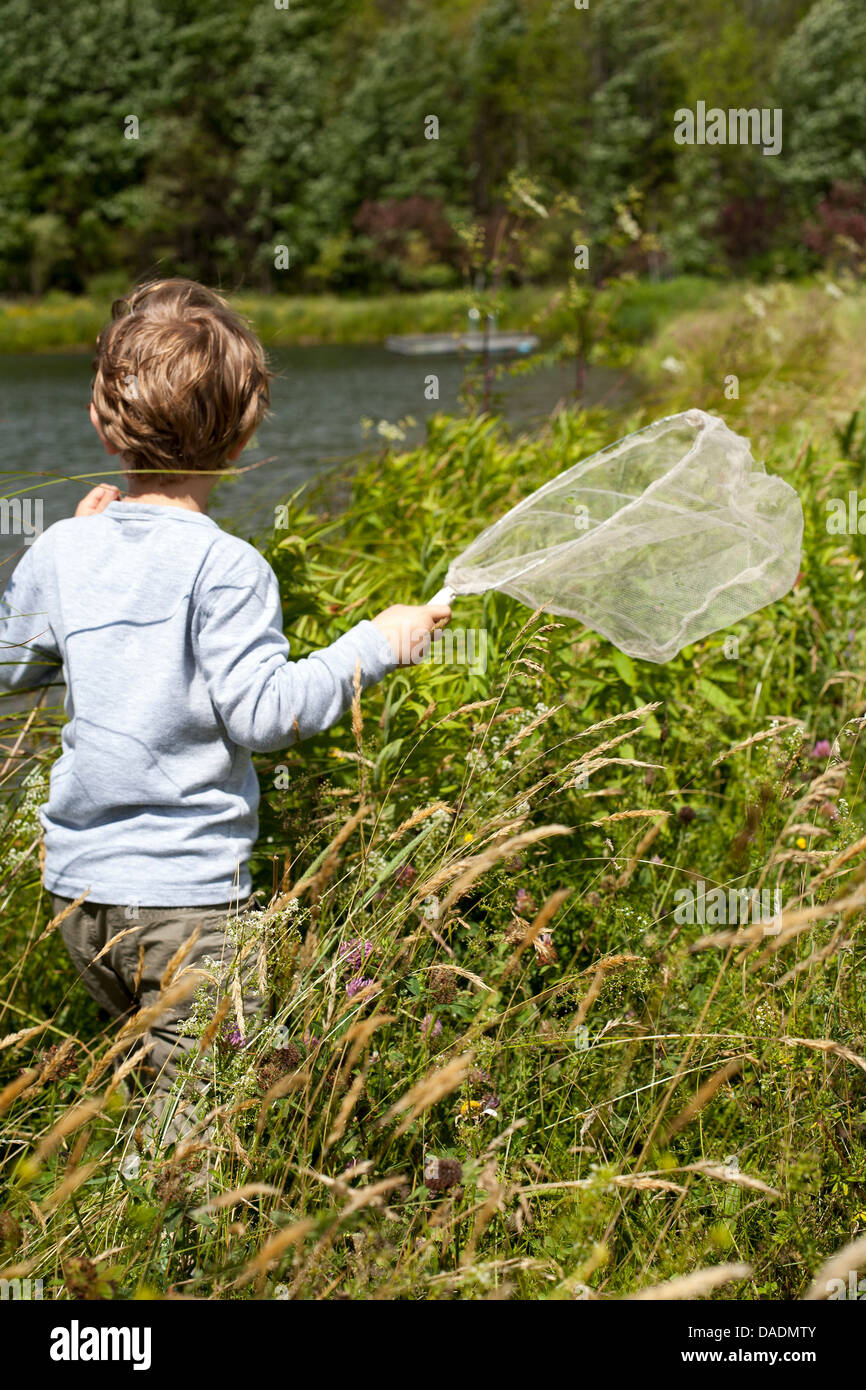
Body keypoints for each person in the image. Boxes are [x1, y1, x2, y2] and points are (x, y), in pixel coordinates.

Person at [0, 277, 451, 1145]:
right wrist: (376, 644)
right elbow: (265, 715)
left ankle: (117, 1245)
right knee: (198, 1140)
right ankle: (178, 1260)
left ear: (101, 422)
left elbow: (12, 661)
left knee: (150, 1101)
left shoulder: (65, 547)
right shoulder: (229, 567)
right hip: (185, 906)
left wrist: (56, 548)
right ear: (243, 434)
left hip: (79, 899)